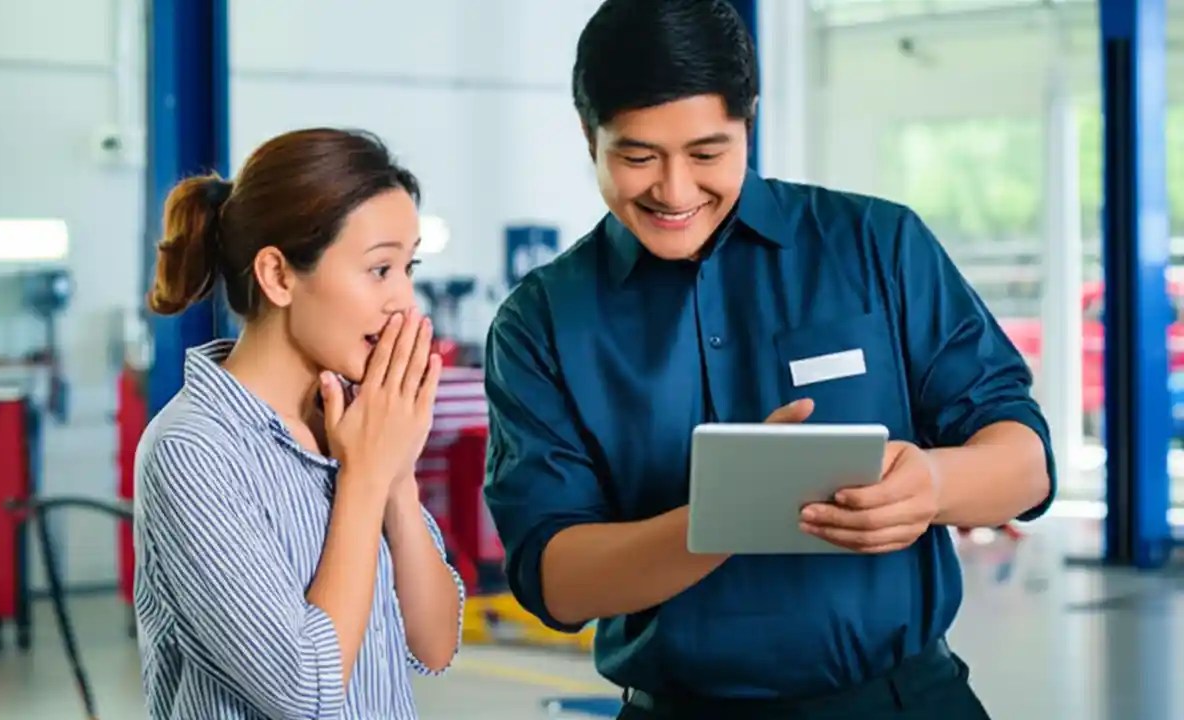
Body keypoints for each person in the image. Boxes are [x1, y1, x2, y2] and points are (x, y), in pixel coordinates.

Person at [481, 1, 1054, 718]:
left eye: (706, 154)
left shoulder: (877, 246)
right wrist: (729, 514)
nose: (674, 191)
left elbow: (1027, 463)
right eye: (637, 157)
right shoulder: (541, 322)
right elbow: (556, 580)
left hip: (905, 701)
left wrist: (934, 484)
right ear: (586, 133)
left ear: (748, 120)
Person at [134, 127, 464, 720]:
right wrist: (364, 478)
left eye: (408, 267)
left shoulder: (356, 422)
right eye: (379, 269)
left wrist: (397, 479)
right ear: (279, 276)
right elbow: (305, 692)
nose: (405, 302)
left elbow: (435, 645)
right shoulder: (192, 451)